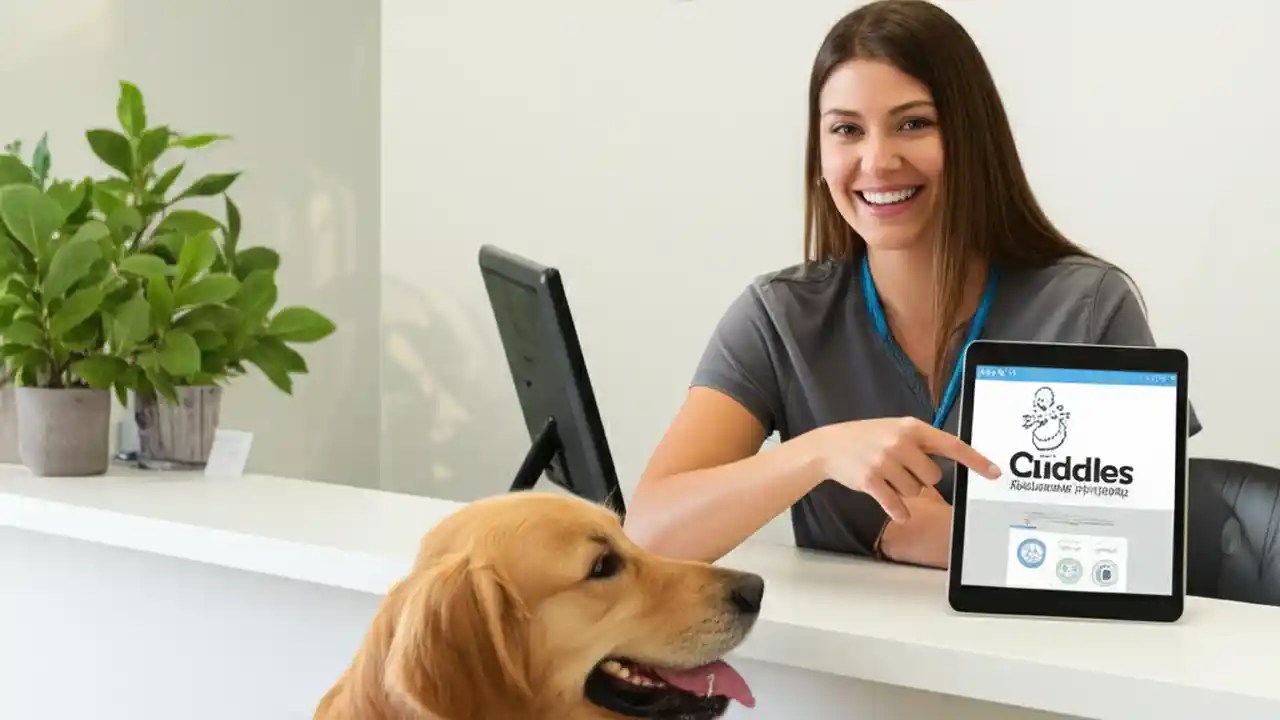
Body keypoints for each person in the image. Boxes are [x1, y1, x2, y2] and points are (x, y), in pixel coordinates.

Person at [623, 0, 1201, 569]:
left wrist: (955, 539)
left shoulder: (1088, 309)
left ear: (973, 139)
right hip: (848, 666)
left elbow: (1149, 556)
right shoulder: (778, 318)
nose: (877, 161)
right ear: (819, 157)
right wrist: (819, 453)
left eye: (914, 124)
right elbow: (648, 533)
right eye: (847, 130)